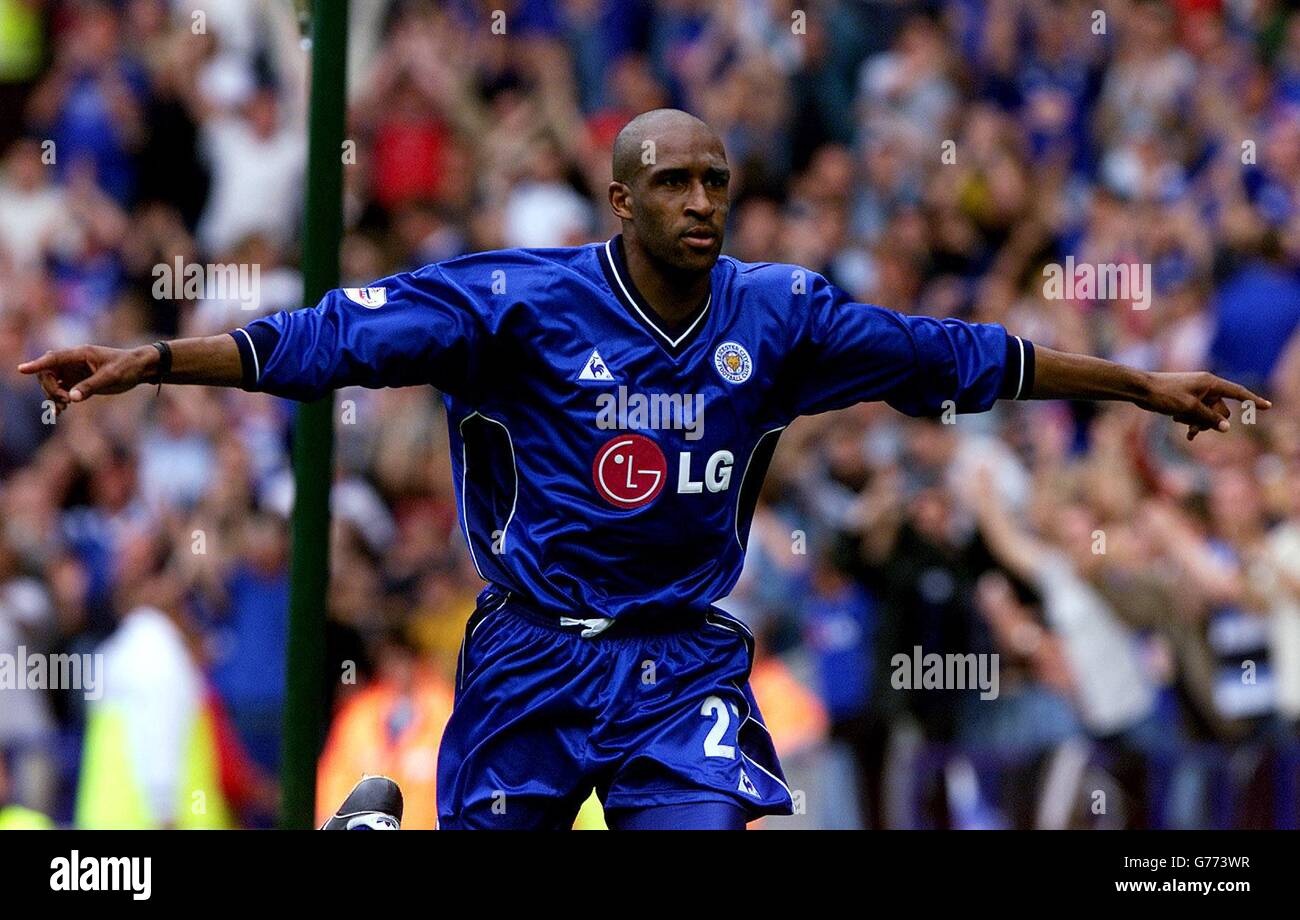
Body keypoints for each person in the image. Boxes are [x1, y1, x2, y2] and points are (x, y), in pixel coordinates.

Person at [19, 109, 1270, 830]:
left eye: (716, 180)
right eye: (671, 180)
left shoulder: (781, 318)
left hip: (682, 656)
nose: (700, 199)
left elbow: (954, 356)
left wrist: (1138, 384)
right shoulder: (514, 303)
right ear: (619, 197)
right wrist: (153, 358)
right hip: (531, 651)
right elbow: (326, 341)